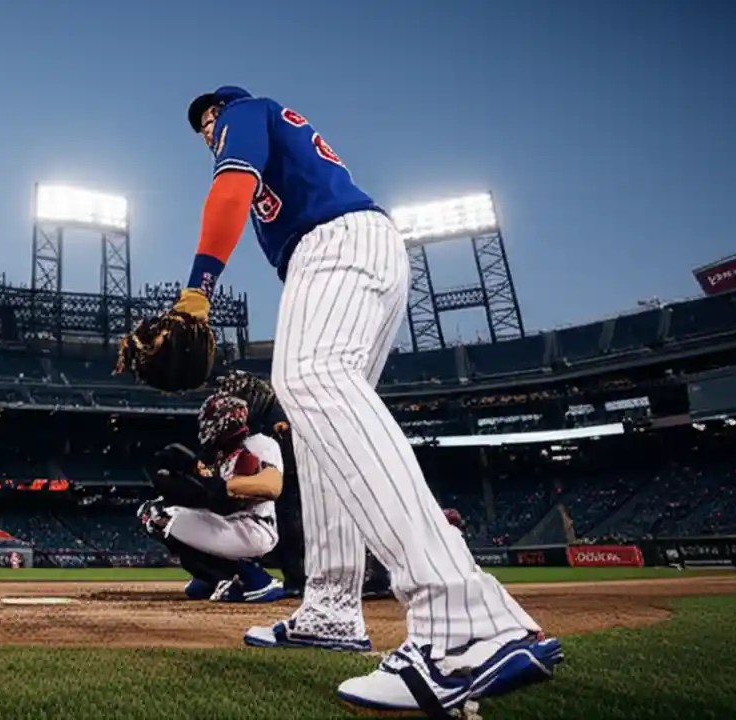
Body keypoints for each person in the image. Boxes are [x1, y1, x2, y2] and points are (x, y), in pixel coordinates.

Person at [176, 85, 561, 715]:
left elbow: (231, 186)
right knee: (318, 418)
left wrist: (198, 290)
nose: (206, 128)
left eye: (207, 116)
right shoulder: (277, 135)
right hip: (359, 248)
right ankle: (330, 608)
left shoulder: (247, 113)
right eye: (202, 126)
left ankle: (464, 619)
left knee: (310, 380)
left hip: (332, 245)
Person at [137, 392, 286, 604]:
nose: (207, 426)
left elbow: (271, 486)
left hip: (253, 528)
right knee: (155, 511)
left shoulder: (258, 444)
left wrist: (221, 488)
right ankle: (216, 577)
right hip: (232, 524)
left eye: (212, 420)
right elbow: (209, 494)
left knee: (159, 517)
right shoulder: (222, 455)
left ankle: (253, 579)